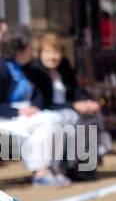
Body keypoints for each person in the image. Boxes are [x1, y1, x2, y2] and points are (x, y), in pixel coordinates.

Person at [0, 26, 72, 186]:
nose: (33, 50)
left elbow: (38, 96)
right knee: (46, 123)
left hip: (25, 118)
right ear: (20, 49)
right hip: (6, 118)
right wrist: (18, 111)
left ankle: (47, 170)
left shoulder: (30, 69)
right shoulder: (2, 69)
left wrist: (33, 108)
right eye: (30, 47)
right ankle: (42, 171)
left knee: (53, 120)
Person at [33, 32, 110, 170]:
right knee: (73, 120)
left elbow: (76, 90)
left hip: (69, 109)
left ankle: (85, 165)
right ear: (40, 53)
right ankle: (65, 165)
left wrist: (87, 102)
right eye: (48, 52)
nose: (53, 57)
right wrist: (74, 106)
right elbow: (43, 103)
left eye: (56, 53)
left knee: (93, 116)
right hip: (49, 112)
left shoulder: (64, 66)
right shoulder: (36, 71)